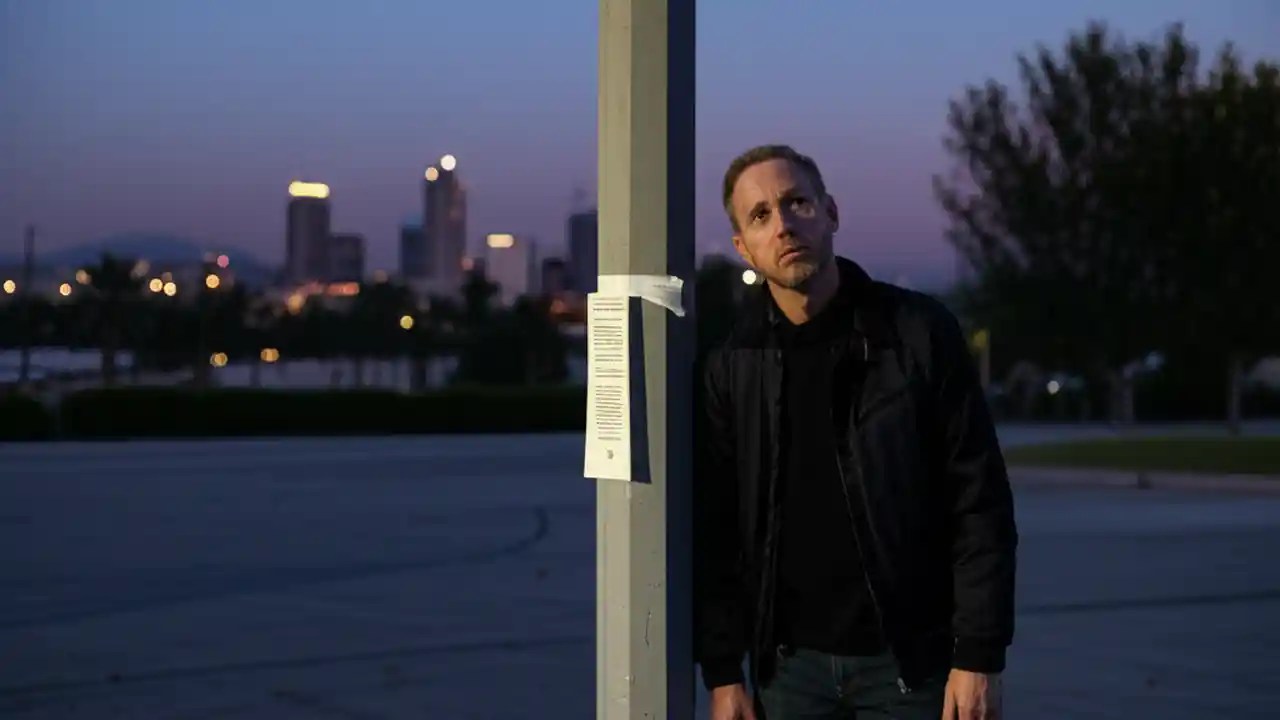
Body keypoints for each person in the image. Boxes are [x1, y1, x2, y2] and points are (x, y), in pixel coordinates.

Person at [693, 145, 1018, 720]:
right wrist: (723, 672)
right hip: (788, 675)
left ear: (831, 212)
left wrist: (979, 654)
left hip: (910, 669)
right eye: (761, 215)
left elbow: (979, 503)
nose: (784, 224)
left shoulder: (917, 334)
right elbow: (717, 531)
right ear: (744, 247)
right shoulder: (732, 364)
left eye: (797, 203)